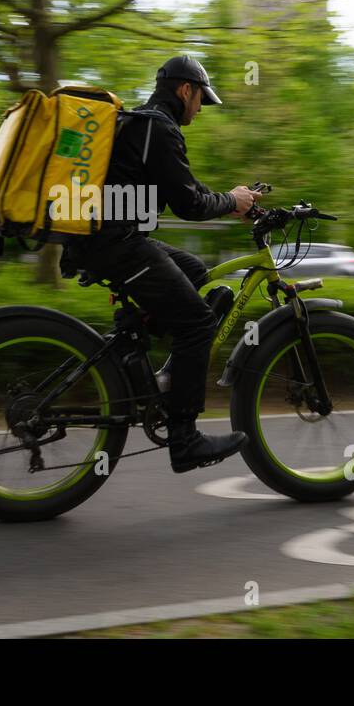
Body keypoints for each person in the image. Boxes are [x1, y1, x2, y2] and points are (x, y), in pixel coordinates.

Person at [60, 54, 263, 473]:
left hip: (107, 241)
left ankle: (156, 369)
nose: (200, 110)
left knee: (194, 272)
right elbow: (188, 204)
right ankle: (185, 438)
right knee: (199, 324)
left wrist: (231, 203)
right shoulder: (160, 126)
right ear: (185, 90)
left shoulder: (144, 125)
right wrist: (231, 201)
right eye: (201, 101)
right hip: (116, 245)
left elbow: (182, 186)